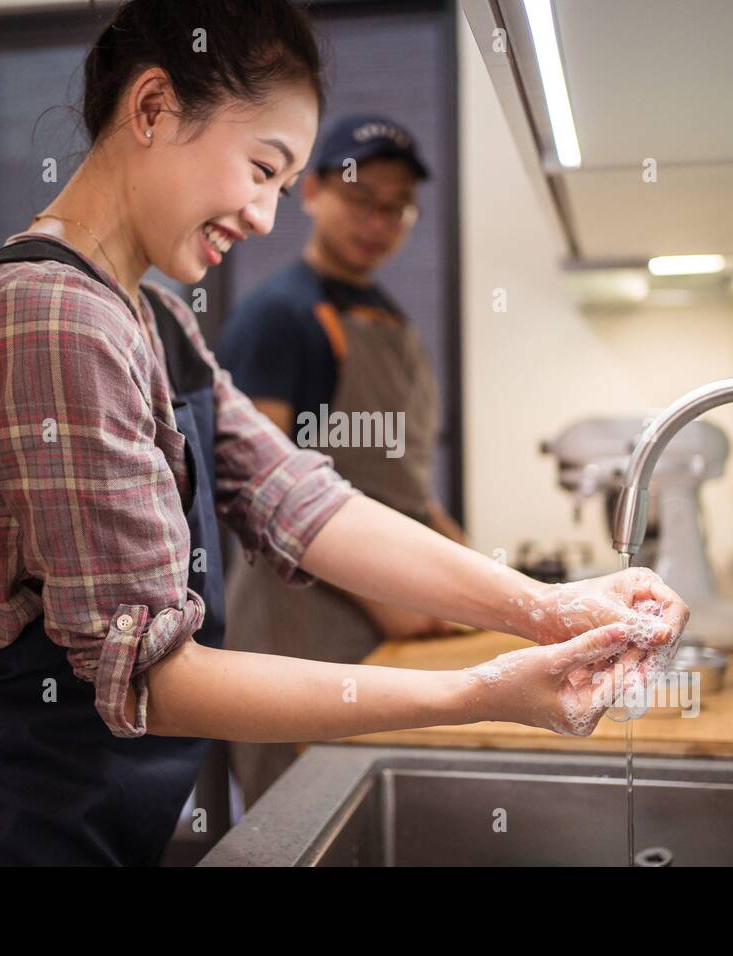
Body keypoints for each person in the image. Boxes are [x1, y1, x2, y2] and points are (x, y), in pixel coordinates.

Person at [0, 0, 688, 866]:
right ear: (152, 108)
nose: (268, 215)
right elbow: (154, 676)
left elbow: (301, 499)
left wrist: (545, 609)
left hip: (63, 820)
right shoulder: (53, 319)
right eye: (263, 168)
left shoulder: (147, 315)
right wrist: (480, 691)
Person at [217, 115, 469, 805]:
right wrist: (387, 599)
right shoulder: (278, 316)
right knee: (300, 812)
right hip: (299, 615)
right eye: (362, 199)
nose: (379, 221)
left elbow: (404, 487)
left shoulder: (387, 315)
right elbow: (259, 492)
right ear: (313, 193)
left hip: (385, 603)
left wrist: (475, 572)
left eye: (397, 208)